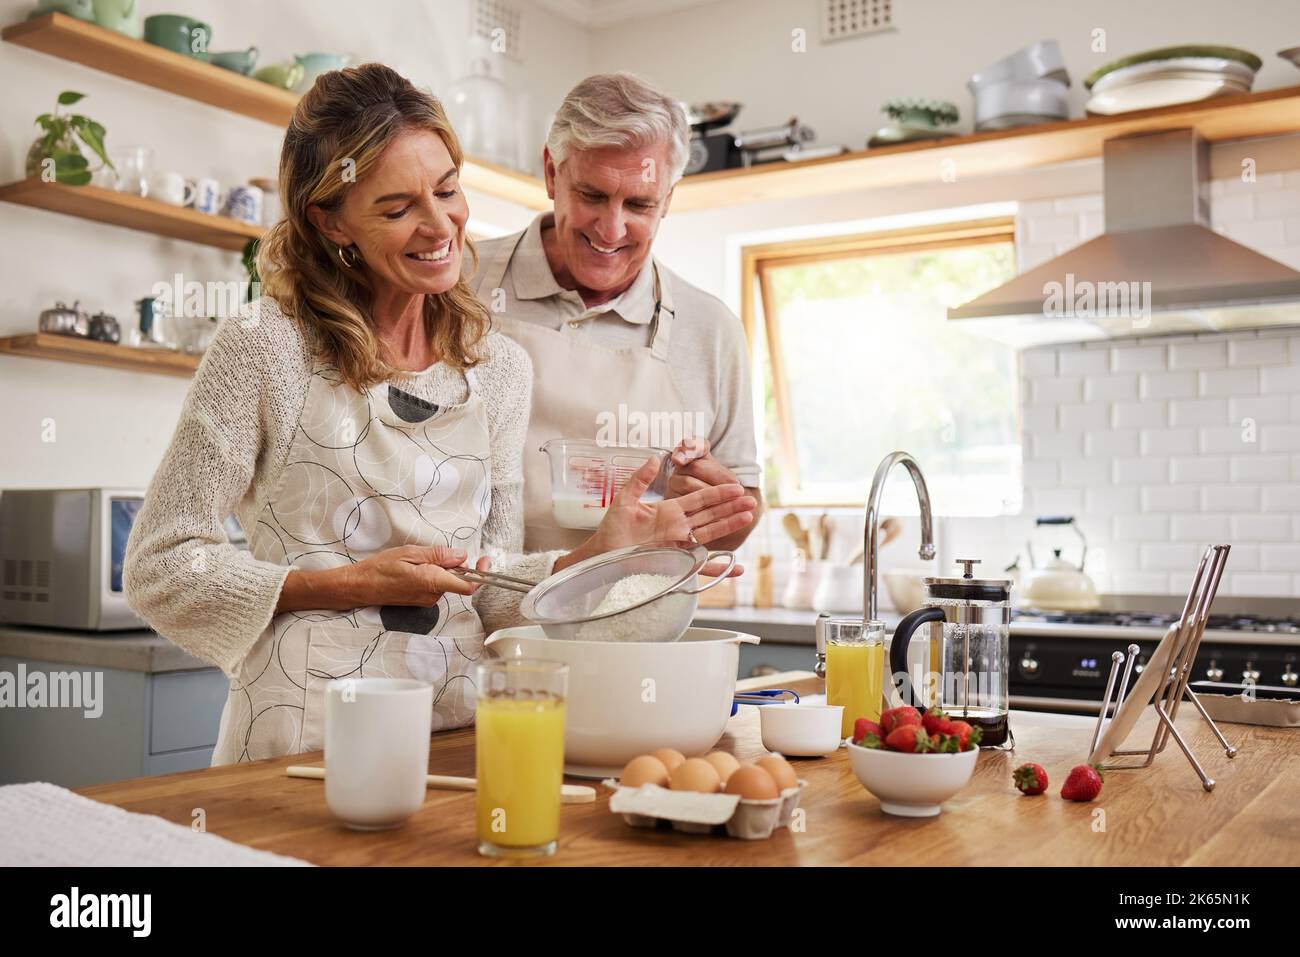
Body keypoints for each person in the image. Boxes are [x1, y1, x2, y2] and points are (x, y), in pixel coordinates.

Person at [123, 63, 755, 765]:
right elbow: (161, 566)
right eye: (396, 209)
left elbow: (492, 589)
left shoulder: (495, 366)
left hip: (457, 734)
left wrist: (599, 551)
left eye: (448, 190)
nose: (440, 225)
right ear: (330, 220)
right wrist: (349, 585)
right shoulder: (263, 347)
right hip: (300, 741)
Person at [468, 72, 764, 552]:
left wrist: (713, 503)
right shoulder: (459, 288)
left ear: (668, 200)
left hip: (644, 619)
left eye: (640, 204)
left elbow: (738, 517)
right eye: (593, 195)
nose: (611, 229)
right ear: (551, 172)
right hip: (485, 619)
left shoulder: (712, 332)